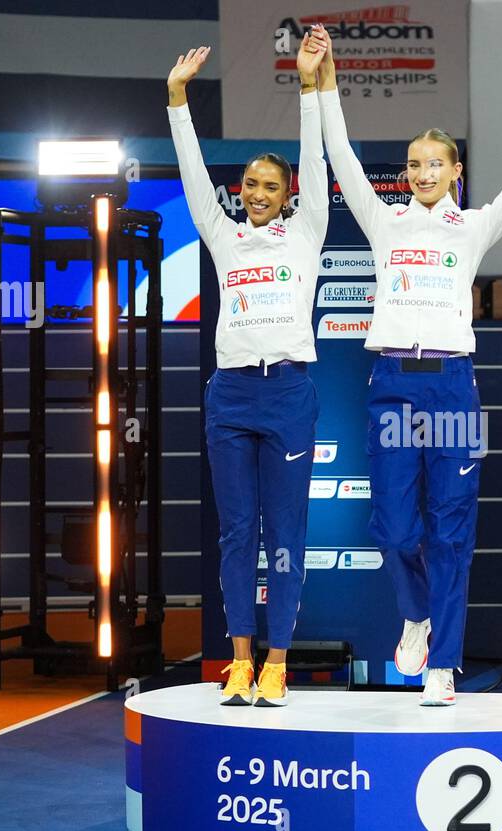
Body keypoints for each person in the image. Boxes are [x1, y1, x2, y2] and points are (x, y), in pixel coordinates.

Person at [317, 33, 502, 705]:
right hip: (394, 386)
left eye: (436, 164)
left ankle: (442, 665)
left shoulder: (475, 226)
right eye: (414, 164)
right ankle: (417, 615)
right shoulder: (385, 222)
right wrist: (327, 79)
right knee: (397, 529)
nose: (424, 173)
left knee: (452, 530)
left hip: (455, 387)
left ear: (455, 172)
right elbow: (339, 157)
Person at [166, 29, 330, 706]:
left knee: (286, 535)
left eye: (271, 185)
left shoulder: (305, 229)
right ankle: (238, 660)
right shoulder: (223, 234)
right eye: (251, 184)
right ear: (241, 190)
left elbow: (315, 161)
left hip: (288, 394)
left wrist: (310, 86)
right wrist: (178, 100)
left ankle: (277, 663)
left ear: (287, 195)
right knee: (237, 533)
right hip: (231, 397)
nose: (258, 193)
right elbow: (193, 174)